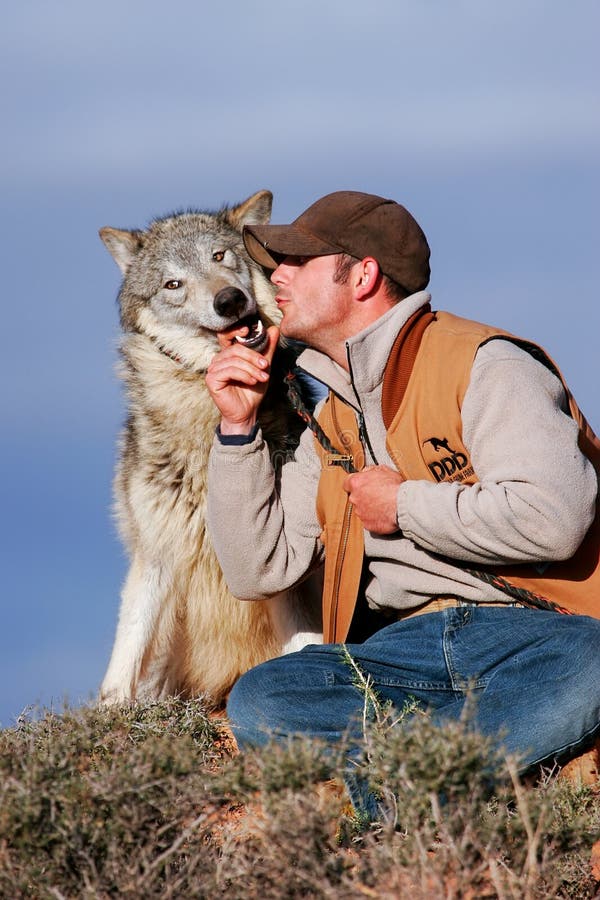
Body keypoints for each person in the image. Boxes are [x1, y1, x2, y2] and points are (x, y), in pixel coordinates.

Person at [205, 190, 600, 800]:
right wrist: (237, 429)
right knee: (265, 696)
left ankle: (403, 785)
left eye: (297, 261)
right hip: (398, 653)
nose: (273, 276)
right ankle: (453, 768)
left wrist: (404, 506)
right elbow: (259, 568)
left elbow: (554, 518)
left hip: (532, 636)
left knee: (595, 663)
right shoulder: (330, 414)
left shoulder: (487, 363)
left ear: (363, 275)